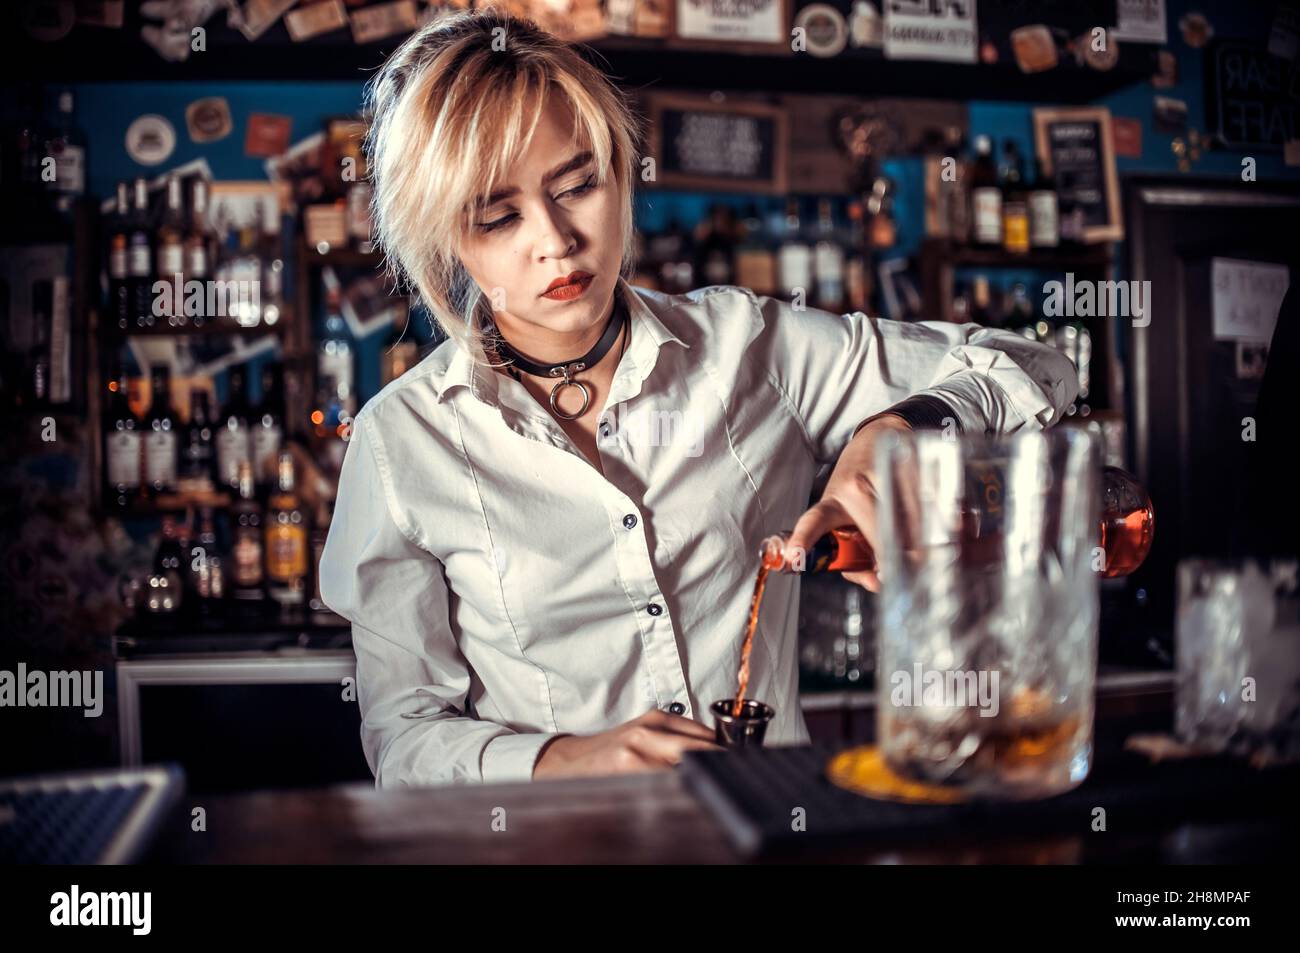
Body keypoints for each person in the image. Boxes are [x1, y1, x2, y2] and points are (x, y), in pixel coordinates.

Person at [318, 9, 1079, 787]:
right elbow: (403, 741)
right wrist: (566, 759)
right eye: (498, 215)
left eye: (578, 183)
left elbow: (1036, 365)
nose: (555, 239)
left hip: (774, 832)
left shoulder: (751, 349)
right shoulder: (401, 442)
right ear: (446, 239)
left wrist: (902, 425)